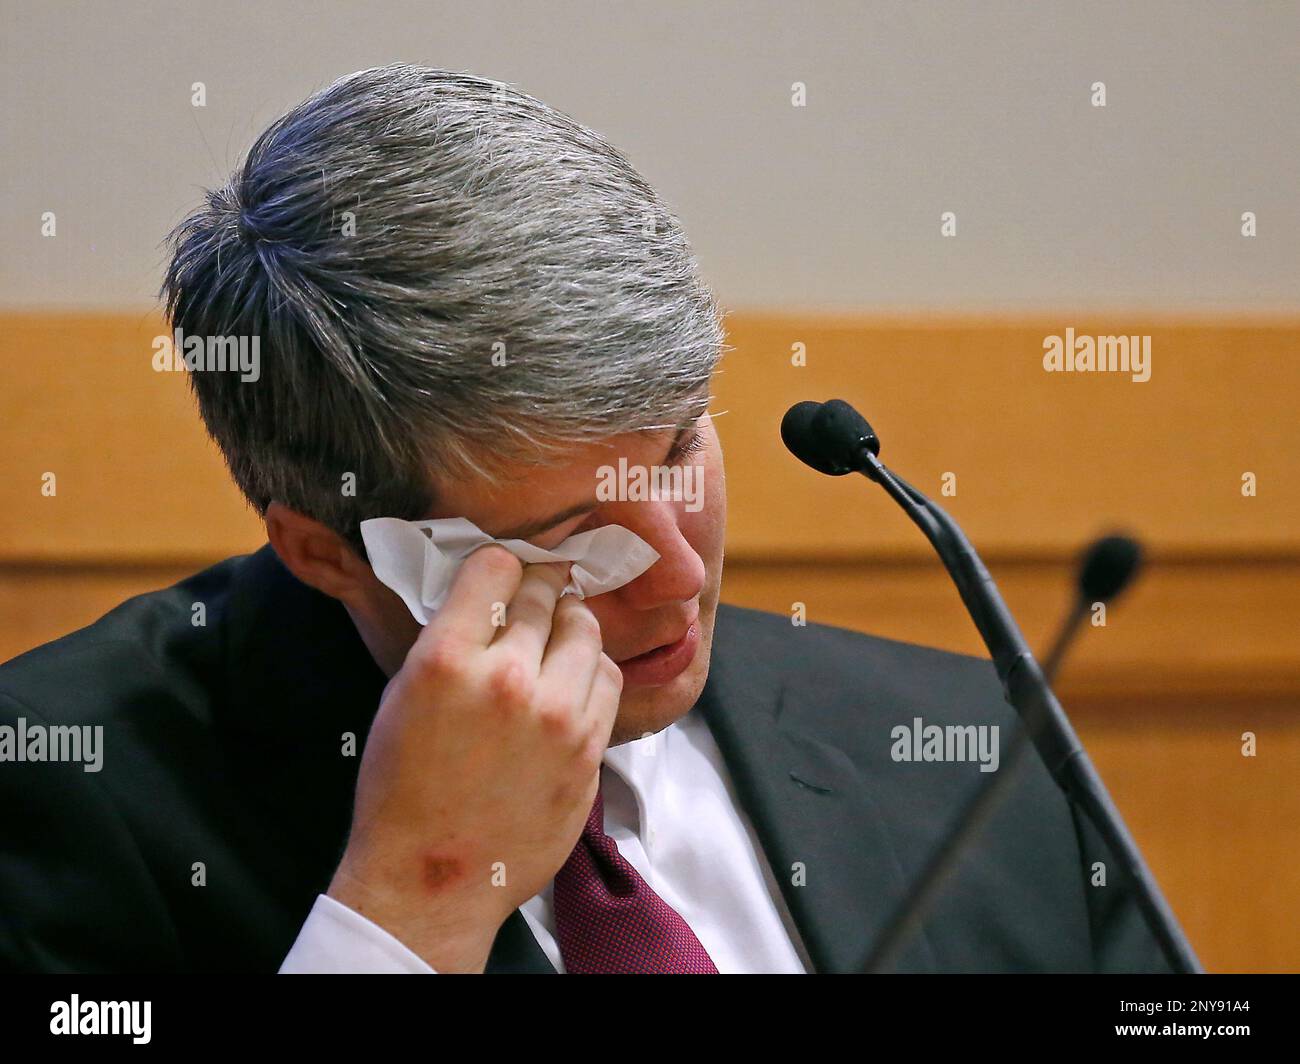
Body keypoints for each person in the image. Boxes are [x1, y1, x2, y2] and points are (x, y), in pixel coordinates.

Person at [0, 64, 1178, 974]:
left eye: (679, 449)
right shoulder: (66, 793)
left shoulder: (973, 740)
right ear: (328, 549)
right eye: (574, 536)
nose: (674, 579)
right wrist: (416, 897)